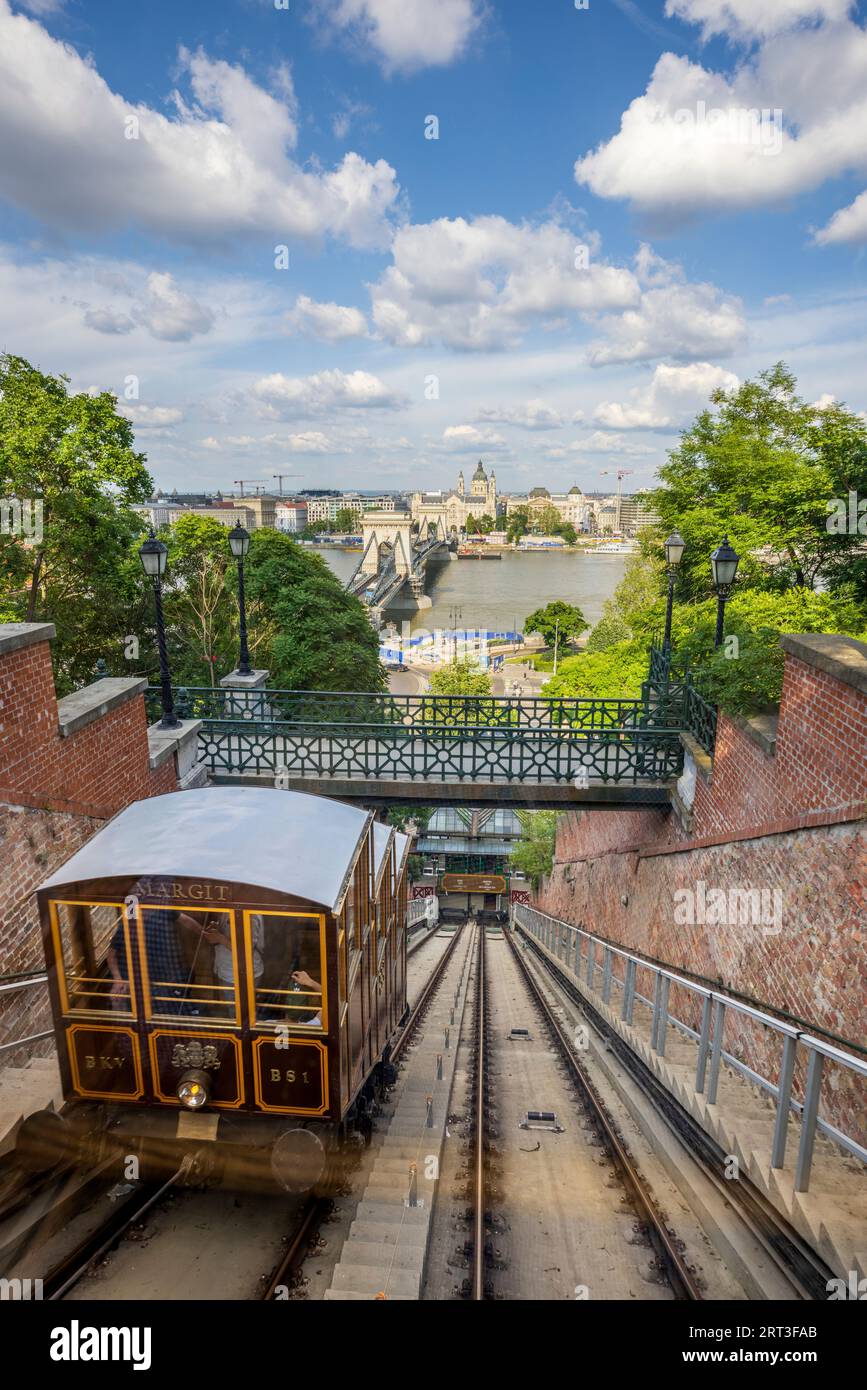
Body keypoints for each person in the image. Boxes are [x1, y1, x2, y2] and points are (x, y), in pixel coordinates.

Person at [107, 902, 202, 1014]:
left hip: (164, 978)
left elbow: (186, 920)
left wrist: (205, 934)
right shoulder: (127, 926)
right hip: (137, 981)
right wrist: (118, 979)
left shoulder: (164, 910)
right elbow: (111, 955)